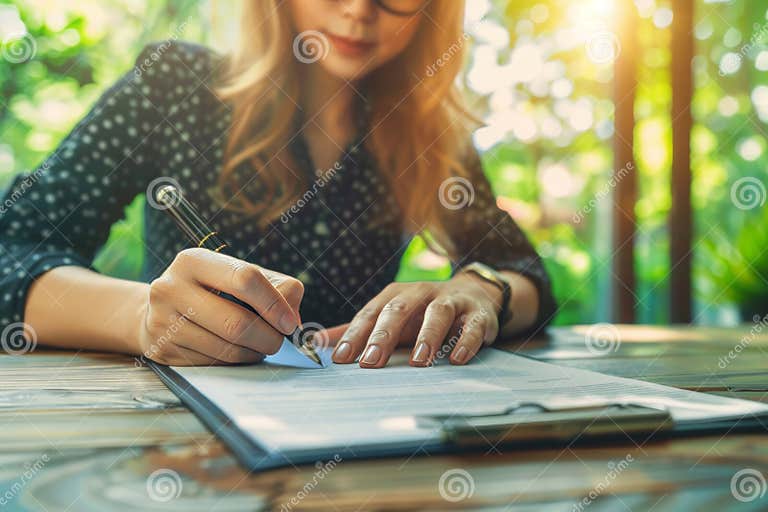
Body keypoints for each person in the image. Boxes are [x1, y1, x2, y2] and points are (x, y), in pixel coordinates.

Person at [0, 0, 556, 368]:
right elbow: (11, 249)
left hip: (358, 449)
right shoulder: (173, 85)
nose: (360, 10)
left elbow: (526, 276)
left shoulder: (430, 134)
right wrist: (139, 316)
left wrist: (482, 289)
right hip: (177, 449)